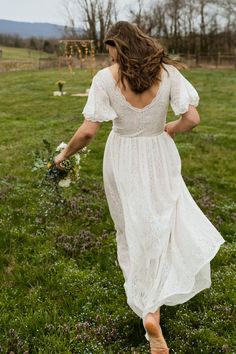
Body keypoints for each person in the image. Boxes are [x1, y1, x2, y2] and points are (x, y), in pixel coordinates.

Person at [54, 21, 225, 354]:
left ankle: (150, 311)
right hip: (160, 152)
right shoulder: (168, 73)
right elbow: (192, 119)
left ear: (119, 46)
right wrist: (169, 129)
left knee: (132, 230)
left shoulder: (105, 78)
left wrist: (62, 155)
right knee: (163, 225)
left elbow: (89, 132)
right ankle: (153, 307)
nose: (111, 57)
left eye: (111, 50)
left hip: (123, 158)